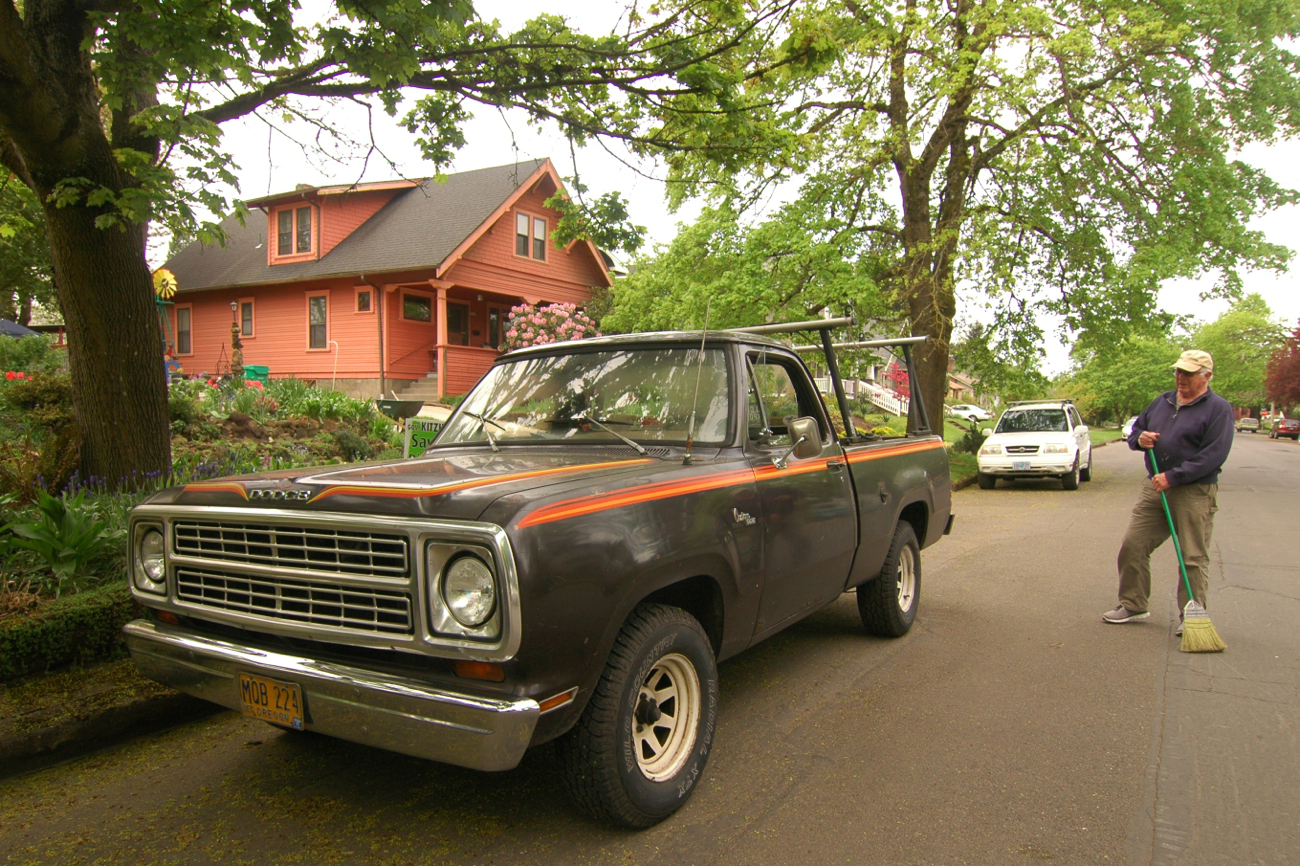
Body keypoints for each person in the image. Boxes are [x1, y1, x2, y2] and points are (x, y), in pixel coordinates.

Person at [1103, 350, 1234, 633]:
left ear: (1206, 376)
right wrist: (1141, 438)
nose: (1180, 378)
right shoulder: (1162, 401)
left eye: (1187, 373)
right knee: (1133, 545)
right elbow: (1137, 430)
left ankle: (1192, 619)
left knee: (1192, 558)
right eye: (1178, 372)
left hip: (1193, 491)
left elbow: (1214, 454)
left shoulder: (1218, 409)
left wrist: (1174, 476)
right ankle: (1134, 603)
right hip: (1155, 488)